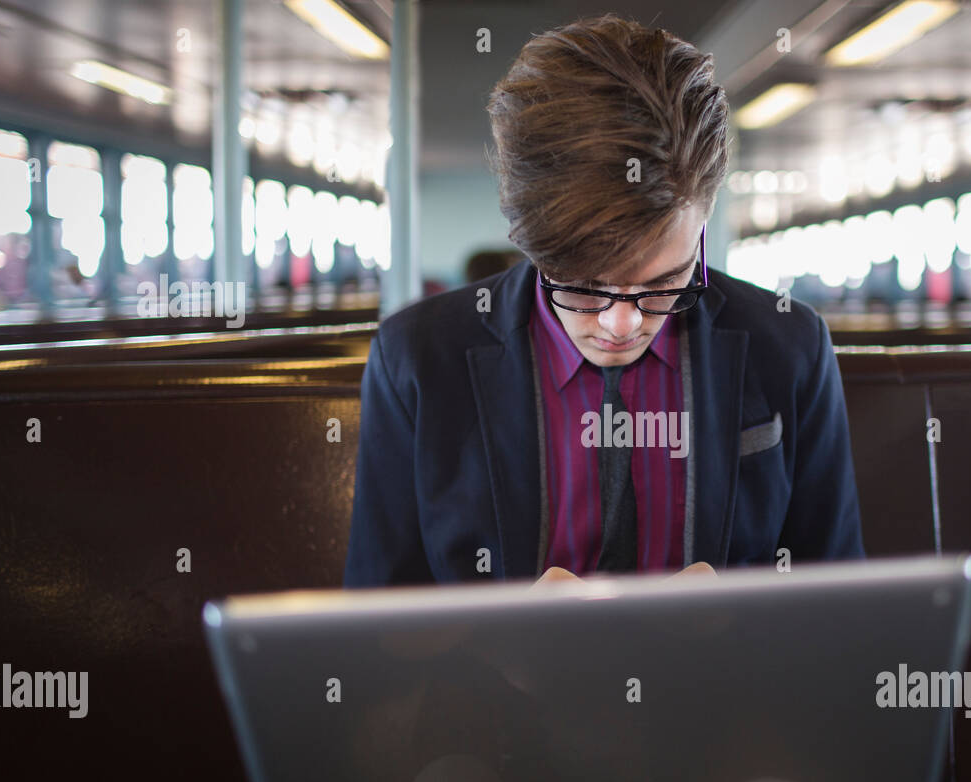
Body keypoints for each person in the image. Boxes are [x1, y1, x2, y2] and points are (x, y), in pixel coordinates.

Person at [344, 14, 864, 589]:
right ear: (528, 238)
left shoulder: (790, 346)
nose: (623, 324)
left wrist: (739, 631)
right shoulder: (415, 358)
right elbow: (382, 621)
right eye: (584, 286)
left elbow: (833, 598)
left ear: (707, 217)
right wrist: (502, 643)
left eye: (667, 281)